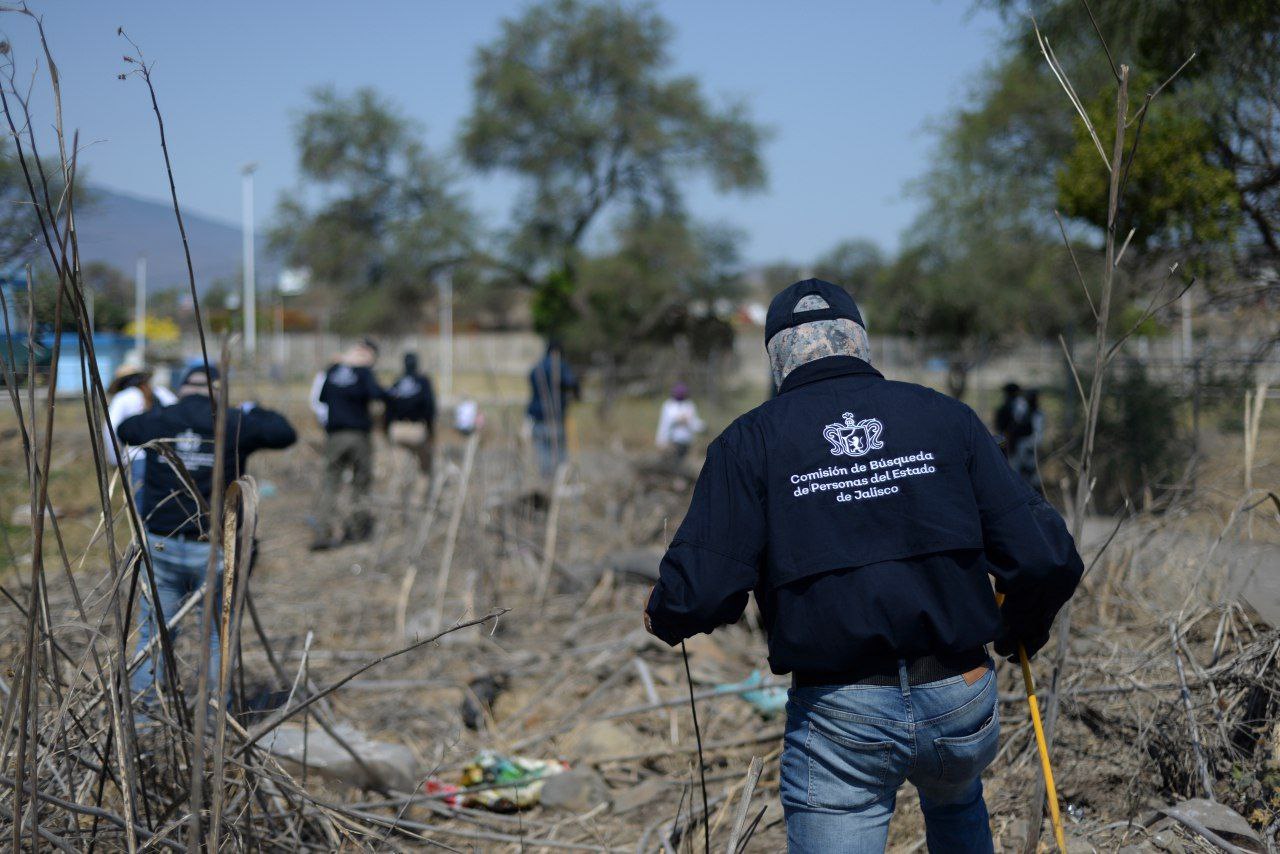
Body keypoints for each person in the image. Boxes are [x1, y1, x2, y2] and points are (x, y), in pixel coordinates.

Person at [643, 279, 1083, 853]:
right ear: (860, 344)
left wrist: (664, 613)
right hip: (960, 700)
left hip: (840, 720)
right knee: (955, 797)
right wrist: (1020, 627)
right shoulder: (945, 419)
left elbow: (703, 591)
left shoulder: (749, 442)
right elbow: (1046, 558)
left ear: (778, 358)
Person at [116, 364, 296, 713]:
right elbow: (285, 433)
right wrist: (252, 408)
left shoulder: (160, 419)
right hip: (214, 548)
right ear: (219, 391)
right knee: (217, 638)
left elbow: (125, 429)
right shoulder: (234, 421)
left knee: (154, 637)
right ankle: (215, 719)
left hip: (161, 543)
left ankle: (144, 715)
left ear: (183, 388)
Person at [309, 339, 386, 550]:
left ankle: (324, 531)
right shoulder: (364, 372)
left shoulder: (333, 370)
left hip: (335, 435)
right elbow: (378, 394)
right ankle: (357, 529)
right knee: (360, 483)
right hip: (358, 435)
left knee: (330, 483)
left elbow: (322, 397)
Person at [105, 360, 176, 513]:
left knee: (141, 510)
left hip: (137, 458)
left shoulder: (122, 398)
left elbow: (110, 430)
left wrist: (115, 459)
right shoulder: (162, 393)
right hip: (166, 458)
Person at [526, 341, 579, 476]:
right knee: (559, 456)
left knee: (543, 456)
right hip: (555, 418)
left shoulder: (537, 368)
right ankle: (558, 483)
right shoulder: (561, 366)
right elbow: (572, 383)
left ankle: (546, 483)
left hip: (537, 419)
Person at [385, 351, 436, 478]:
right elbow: (429, 406)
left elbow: (389, 406)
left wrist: (386, 428)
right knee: (424, 469)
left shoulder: (397, 381)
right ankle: (419, 495)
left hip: (397, 429)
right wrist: (430, 429)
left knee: (400, 470)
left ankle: (399, 493)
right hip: (416, 429)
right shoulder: (423, 381)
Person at [655, 382, 704, 460]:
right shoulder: (668, 405)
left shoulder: (689, 405)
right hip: (672, 440)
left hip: (686, 441)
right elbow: (664, 424)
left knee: (682, 462)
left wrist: (702, 427)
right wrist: (661, 440)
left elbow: (694, 422)